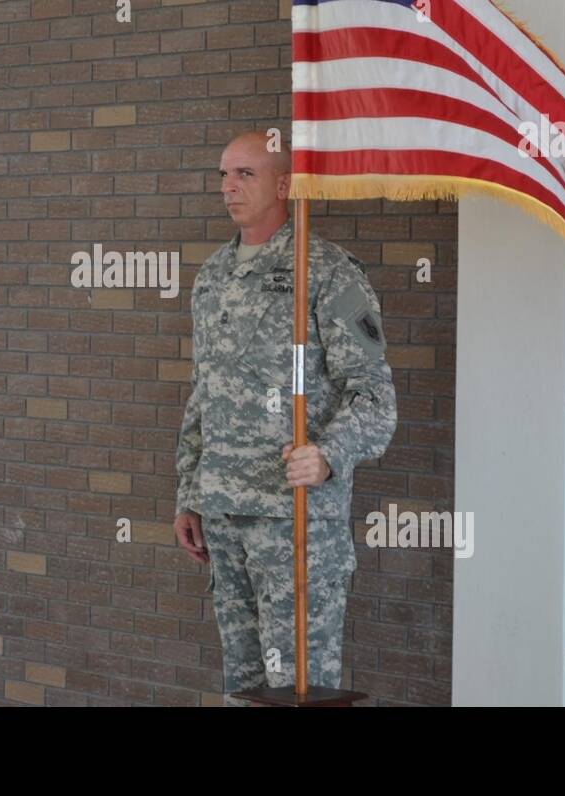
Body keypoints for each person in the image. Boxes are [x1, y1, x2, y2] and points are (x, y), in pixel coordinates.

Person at [173, 131, 397, 703]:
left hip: (295, 525)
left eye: (245, 174)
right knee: (243, 691)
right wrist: (190, 492)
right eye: (223, 175)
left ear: (285, 184)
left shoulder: (324, 272)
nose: (228, 188)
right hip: (224, 514)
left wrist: (326, 454)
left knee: (298, 690)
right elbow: (205, 394)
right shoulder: (213, 278)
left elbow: (374, 400)